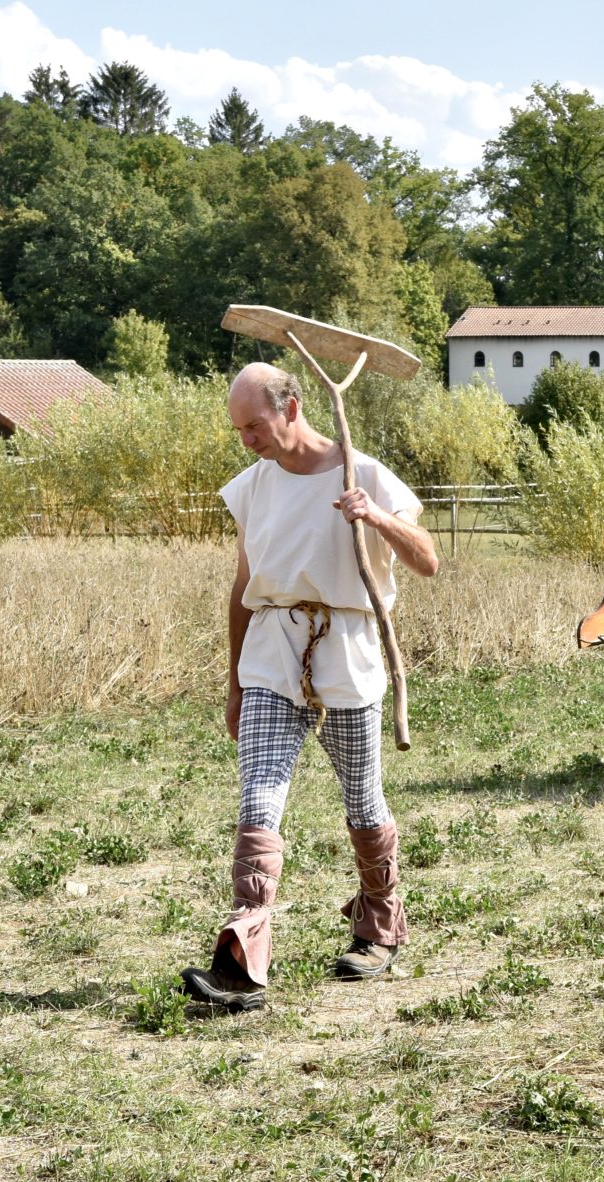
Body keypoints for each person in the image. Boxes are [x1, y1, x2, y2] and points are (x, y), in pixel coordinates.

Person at [181, 362, 439, 1013]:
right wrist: (235, 683)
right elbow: (242, 589)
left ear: (291, 408)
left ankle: (379, 927)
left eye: (255, 426)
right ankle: (242, 960)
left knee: (363, 799)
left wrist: (376, 517)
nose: (247, 440)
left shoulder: (365, 473)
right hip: (271, 654)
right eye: (239, 430)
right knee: (258, 800)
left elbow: (427, 560)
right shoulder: (253, 487)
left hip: (346, 654)